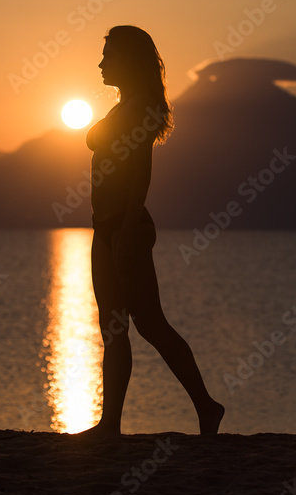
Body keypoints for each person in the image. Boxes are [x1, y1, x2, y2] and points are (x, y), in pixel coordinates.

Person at [79, 25, 224, 438]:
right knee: (113, 327)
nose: (102, 63)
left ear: (129, 59)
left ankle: (207, 406)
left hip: (126, 228)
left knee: (151, 324)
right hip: (104, 228)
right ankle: (109, 425)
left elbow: (140, 174)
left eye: (109, 55)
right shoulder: (122, 108)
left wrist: (125, 229)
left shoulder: (141, 108)